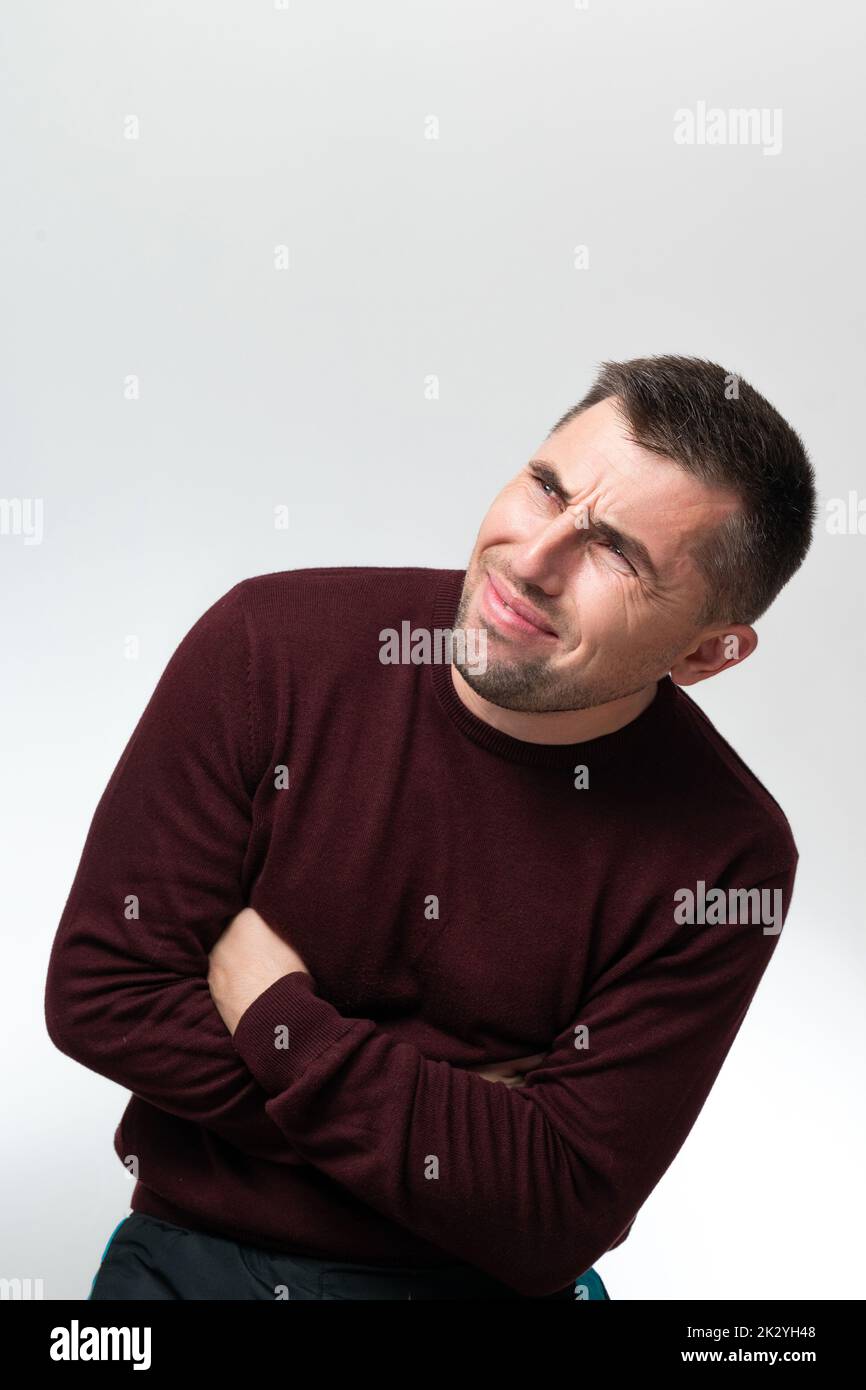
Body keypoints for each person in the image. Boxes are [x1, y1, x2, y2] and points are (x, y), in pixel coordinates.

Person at [46, 355, 815, 1300]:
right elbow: (101, 997)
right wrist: (465, 1131)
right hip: (194, 1254)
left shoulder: (728, 854)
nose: (532, 562)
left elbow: (559, 1206)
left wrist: (270, 1006)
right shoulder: (269, 646)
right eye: (545, 488)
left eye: (616, 552)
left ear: (707, 653)